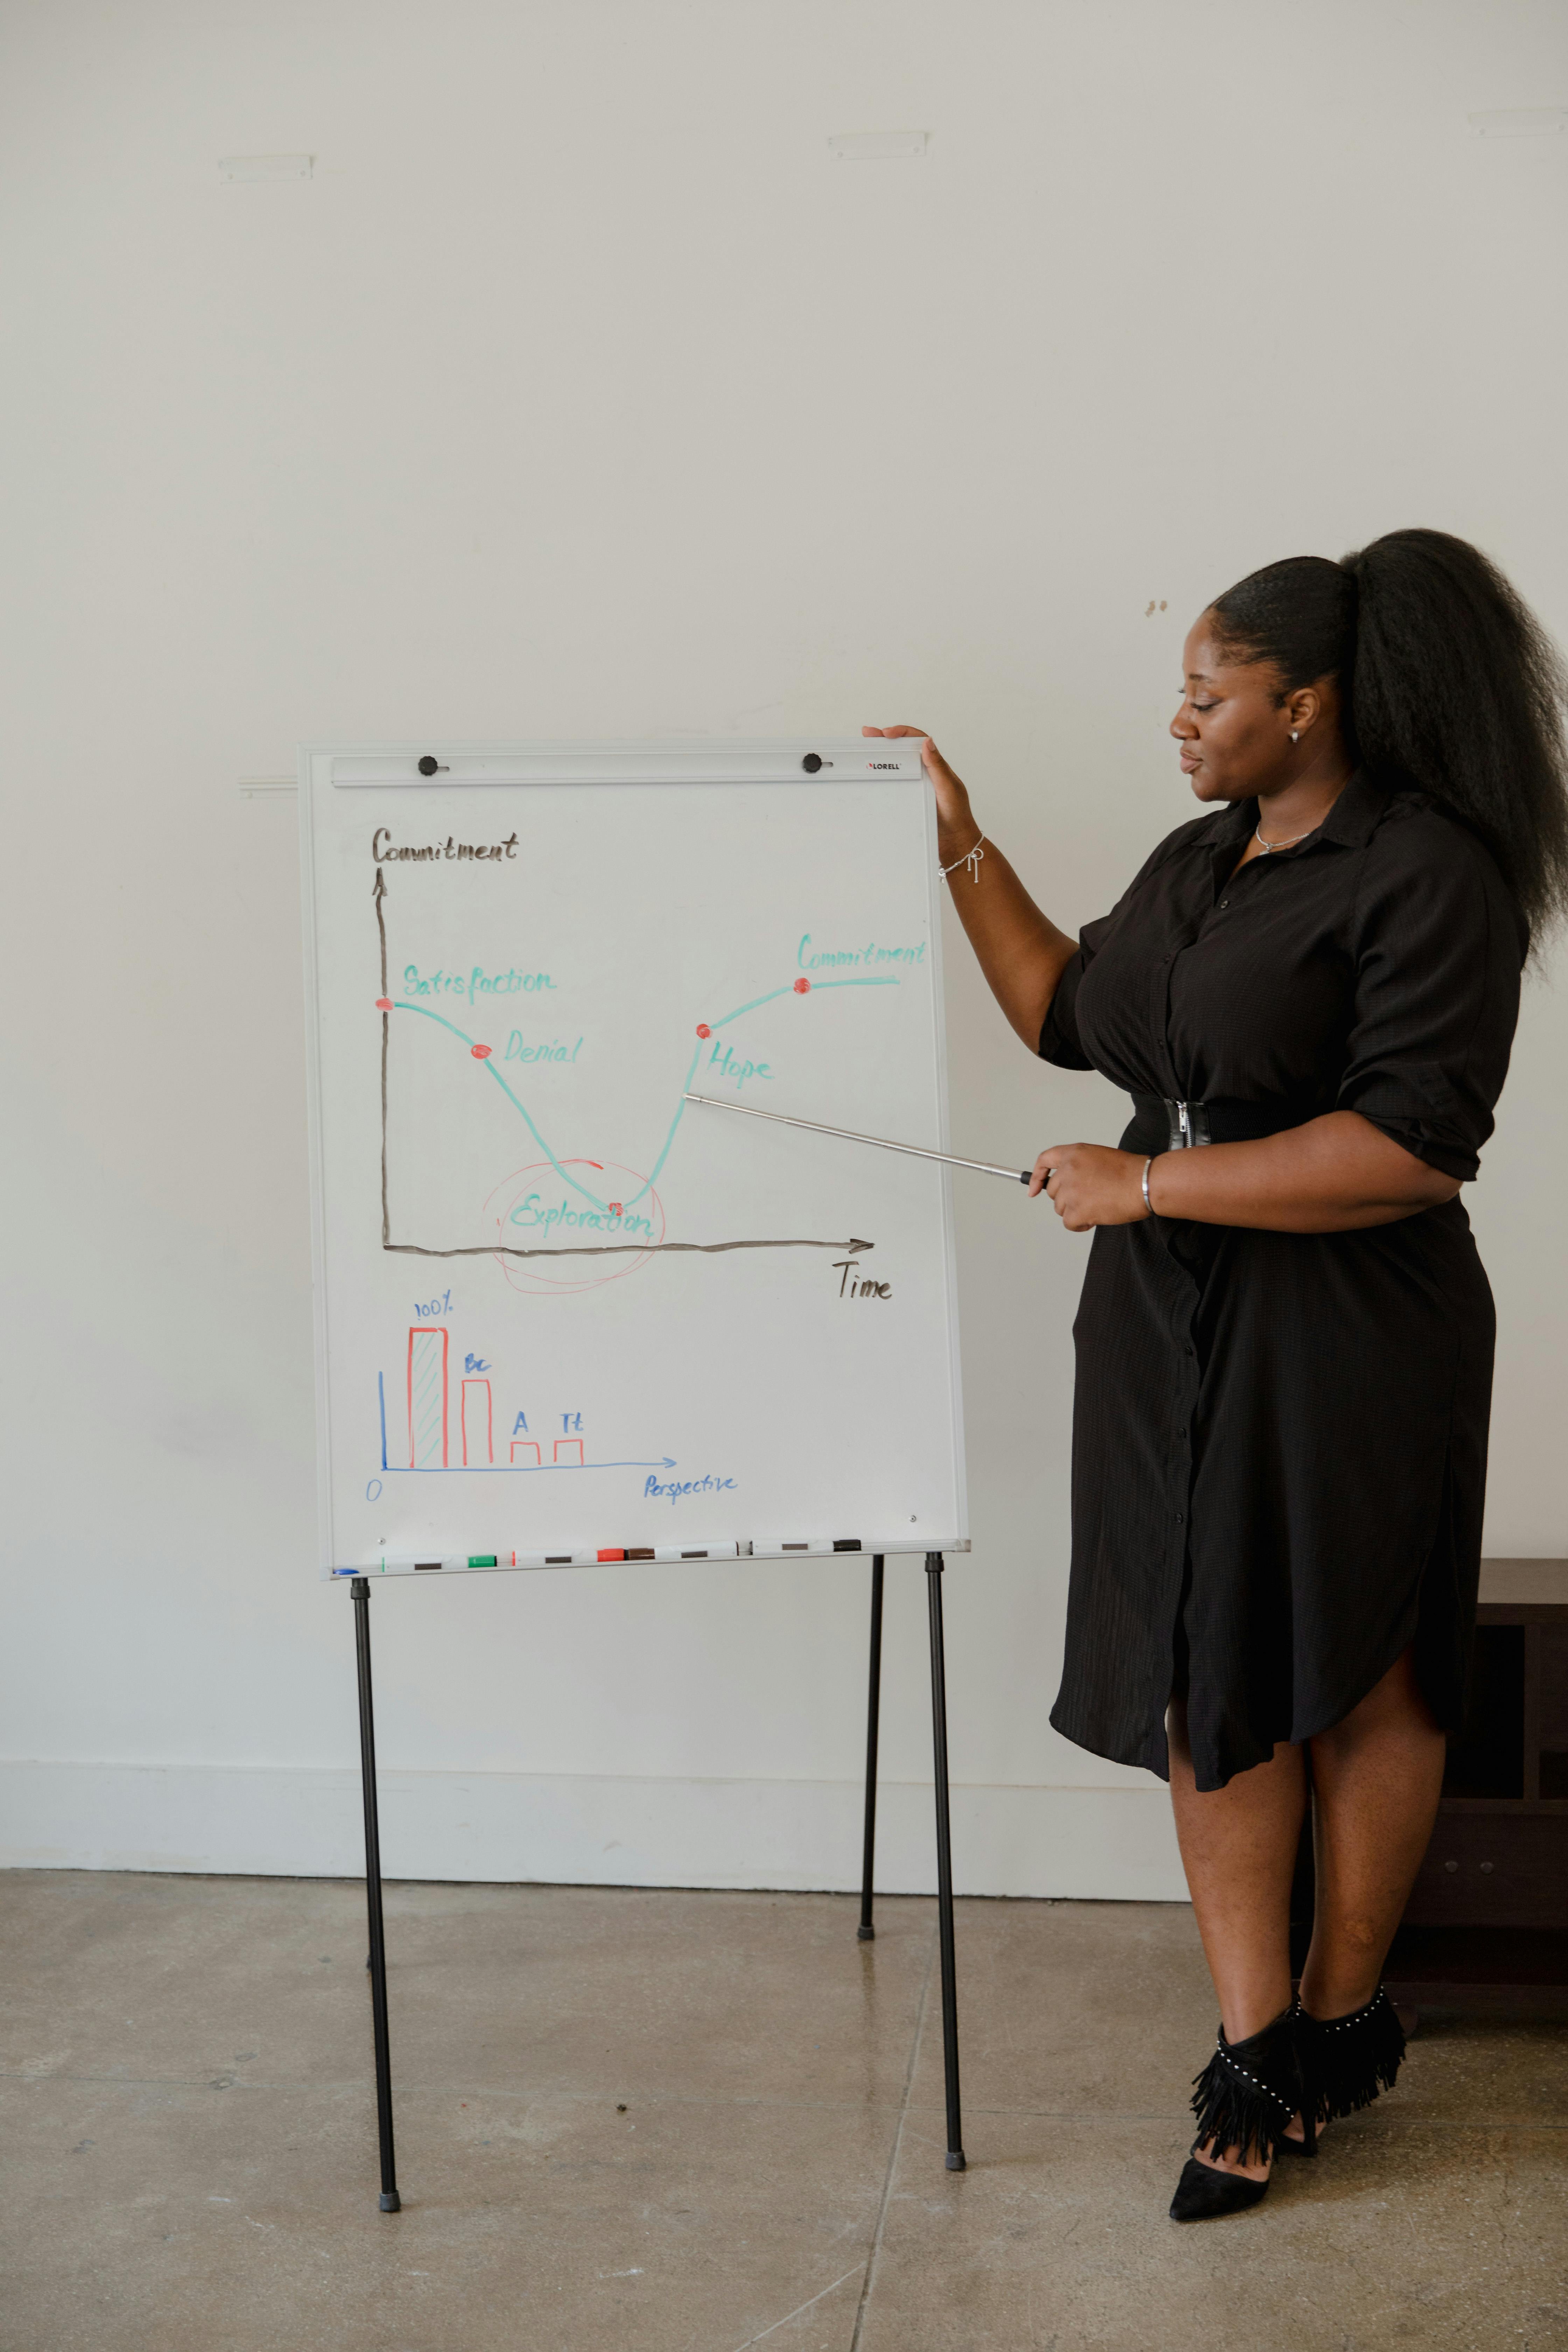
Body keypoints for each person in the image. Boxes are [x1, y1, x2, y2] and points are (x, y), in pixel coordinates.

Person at [868, 528, 1568, 2221]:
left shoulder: (1427, 873)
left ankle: (1331, 2026)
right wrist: (961, 841)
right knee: (1205, 1664)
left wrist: (1146, 1184)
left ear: (1306, 705)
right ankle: (1252, 2045)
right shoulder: (1200, 860)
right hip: (1166, 1319)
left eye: (1208, 694)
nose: (1179, 720)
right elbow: (1064, 1014)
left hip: (1352, 1327)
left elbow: (1411, 1147)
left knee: (1367, 1671)